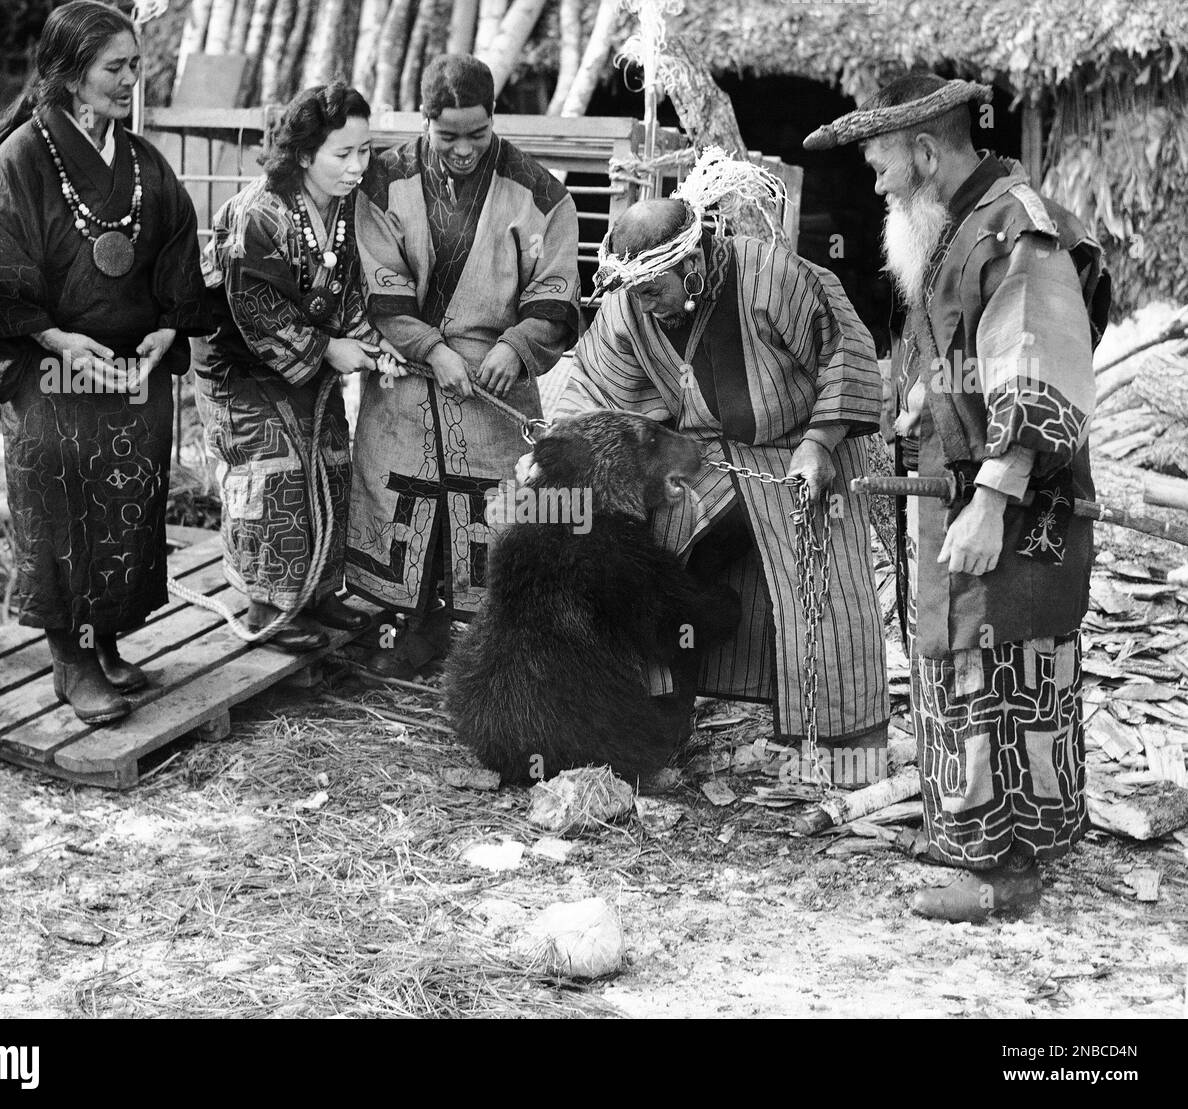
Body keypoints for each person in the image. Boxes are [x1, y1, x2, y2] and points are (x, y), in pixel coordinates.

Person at [803, 74, 1109, 920]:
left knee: (1004, 665)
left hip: (1013, 504)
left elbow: (1039, 355)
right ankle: (966, 826)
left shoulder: (1016, 225)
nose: (875, 184)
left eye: (881, 166)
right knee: (962, 666)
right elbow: (961, 342)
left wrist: (995, 493)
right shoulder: (956, 223)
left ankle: (1006, 869)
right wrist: (923, 398)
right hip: (953, 484)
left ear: (927, 154)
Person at [548, 150, 890, 789]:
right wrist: (552, 456)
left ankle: (842, 747)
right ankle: (655, 724)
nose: (645, 305)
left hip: (802, 451)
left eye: (655, 290)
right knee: (659, 559)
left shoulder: (774, 277)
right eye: (636, 294)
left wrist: (820, 440)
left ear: (695, 265)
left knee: (817, 577)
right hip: (704, 455)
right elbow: (593, 392)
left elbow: (846, 349)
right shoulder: (632, 306)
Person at [0, 0, 207, 724]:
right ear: (68, 73)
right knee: (63, 515)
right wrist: (56, 340)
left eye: (135, 65)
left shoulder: (138, 160)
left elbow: (177, 246)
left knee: (127, 509)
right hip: (54, 375)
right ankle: (70, 660)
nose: (131, 80)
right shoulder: (23, 160)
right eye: (115, 68)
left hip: (130, 377)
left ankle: (106, 642)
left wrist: (168, 327)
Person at [349, 54, 580, 680]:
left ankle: (492, 653)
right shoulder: (381, 183)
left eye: (477, 135)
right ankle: (411, 632)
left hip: (495, 383)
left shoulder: (540, 193)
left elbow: (557, 288)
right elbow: (380, 288)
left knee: (495, 515)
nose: (463, 149)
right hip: (407, 376)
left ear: (494, 119)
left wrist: (519, 344)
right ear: (425, 120)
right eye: (447, 135)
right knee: (405, 501)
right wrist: (431, 349)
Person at [191, 83, 402, 652]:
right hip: (242, 371)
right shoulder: (257, 214)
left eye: (365, 151)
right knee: (275, 472)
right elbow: (254, 306)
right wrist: (330, 350)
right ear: (305, 154)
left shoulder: (346, 210)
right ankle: (267, 606)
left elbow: (352, 292)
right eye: (343, 154)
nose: (358, 166)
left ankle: (317, 593)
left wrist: (377, 343)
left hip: (305, 364)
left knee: (331, 458)